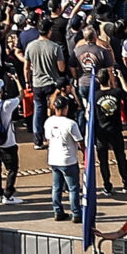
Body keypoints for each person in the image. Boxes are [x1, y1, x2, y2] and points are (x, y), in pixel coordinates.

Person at [44, 90, 83, 222]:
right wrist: (85, 154)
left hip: (54, 158)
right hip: (68, 159)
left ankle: (57, 211)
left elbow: (48, 140)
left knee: (56, 187)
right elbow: (79, 142)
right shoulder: (71, 123)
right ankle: (76, 213)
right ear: (66, 108)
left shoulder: (48, 122)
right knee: (73, 188)